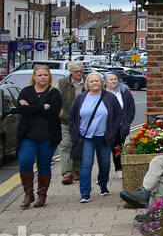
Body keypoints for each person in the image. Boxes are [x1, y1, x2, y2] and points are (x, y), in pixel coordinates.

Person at [68, 71, 121, 203]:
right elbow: (72, 116)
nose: (94, 83)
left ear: (101, 82)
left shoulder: (109, 97)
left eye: (97, 80)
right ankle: (85, 193)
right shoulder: (81, 98)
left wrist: (113, 131)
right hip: (86, 137)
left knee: (104, 164)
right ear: (87, 84)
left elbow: (118, 115)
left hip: (104, 137)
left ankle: (103, 185)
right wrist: (74, 133)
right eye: (91, 81)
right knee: (86, 164)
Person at [15, 65, 63, 209]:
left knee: (44, 165)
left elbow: (53, 112)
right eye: (40, 75)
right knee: (25, 162)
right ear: (34, 77)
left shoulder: (54, 93)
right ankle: (28, 194)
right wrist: (42, 107)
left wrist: (30, 108)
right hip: (27, 136)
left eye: (45, 75)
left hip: (47, 136)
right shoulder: (26, 91)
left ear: (49, 77)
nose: (43, 77)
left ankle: (42, 195)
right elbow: (20, 109)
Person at [57, 61, 87, 184]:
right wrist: (60, 113)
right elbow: (57, 100)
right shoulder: (62, 83)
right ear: (70, 72)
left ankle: (77, 170)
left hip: (83, 120)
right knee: (66, 144)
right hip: (66, 120)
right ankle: (67, 173)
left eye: (81, 71)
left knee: (80, 144)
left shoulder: (87, 82)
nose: (79, 74)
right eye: (76, 72)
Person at [103, 69, 136, 178]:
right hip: (105, 126)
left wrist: (127, 122)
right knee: (105, 150)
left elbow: (131, 107)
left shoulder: (124, 92)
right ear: (105, 81)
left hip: (120, 126)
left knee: (118, 148)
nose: (113, 81)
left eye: (115, 79)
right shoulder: (102, 93)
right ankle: (103, 174)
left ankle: (119, 169)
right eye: (111, 79)